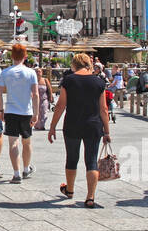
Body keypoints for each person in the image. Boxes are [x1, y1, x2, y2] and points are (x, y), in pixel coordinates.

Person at [47, 53, 110, 207]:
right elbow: (104, 109)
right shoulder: (98, 82)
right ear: (88, 64)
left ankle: (69, 190)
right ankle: (90, 197)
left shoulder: (69, 80)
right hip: (93, 125)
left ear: (74, 65)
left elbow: (61, 105)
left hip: (72, 124)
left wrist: (53, 126)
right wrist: (107, 131)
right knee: (91, 161)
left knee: (72, 158)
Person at [0, 42, 40, 184]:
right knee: (26, 142)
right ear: (25, 56)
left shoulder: (5, 72)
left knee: (13, 142)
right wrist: (36, 113)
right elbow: (36, 94)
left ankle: (16, 174)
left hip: (11, 111)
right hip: (26, 112)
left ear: (11, 56)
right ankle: (26, 169)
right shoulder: (31, 73)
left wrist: (0, 110)